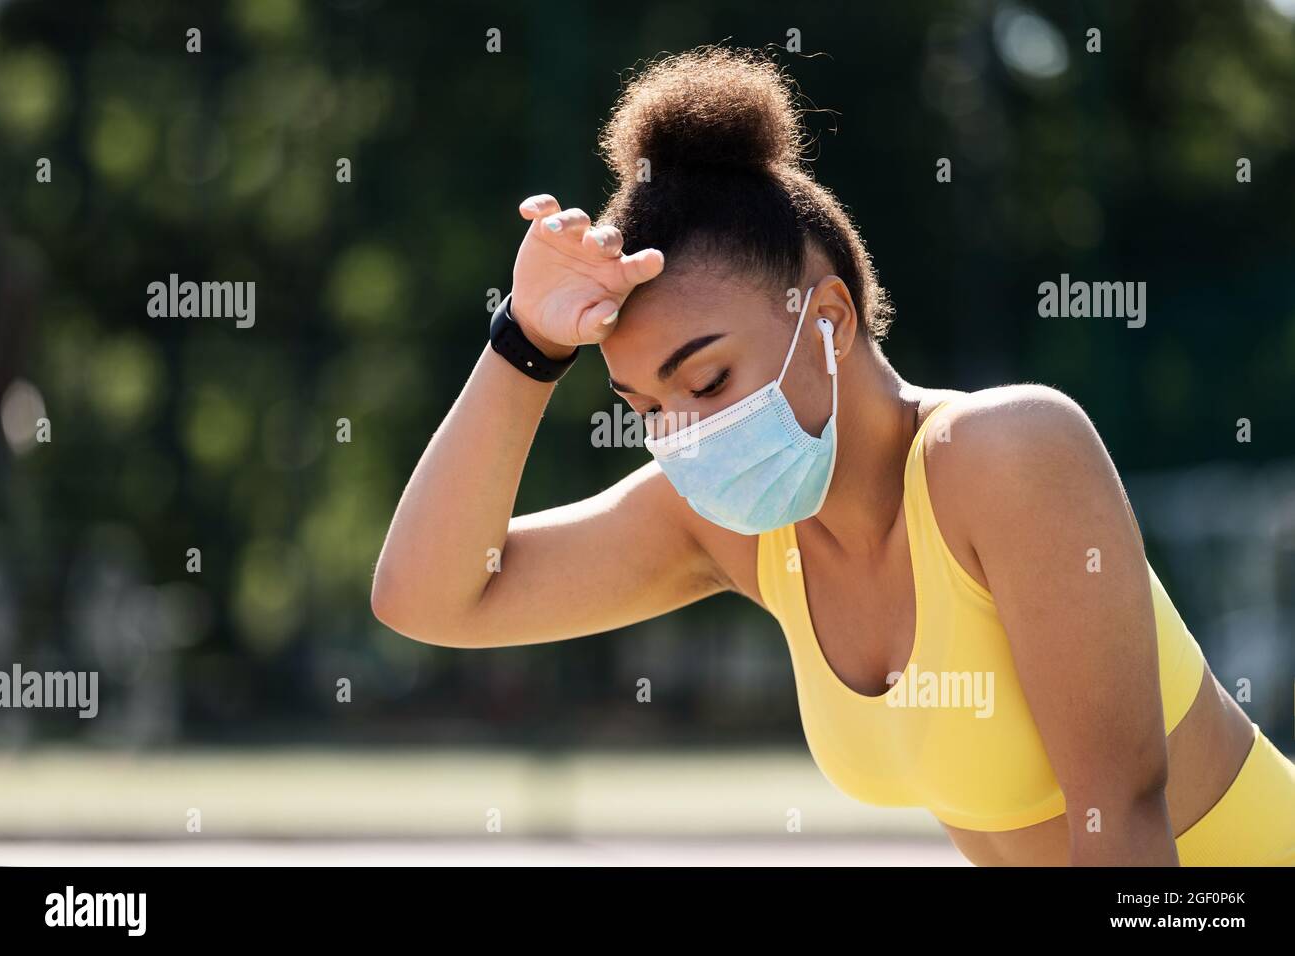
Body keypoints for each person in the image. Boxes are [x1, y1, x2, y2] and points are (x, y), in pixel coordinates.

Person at [372, 46, 1295, 866]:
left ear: (829, 319)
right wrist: (526, 345)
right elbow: (428, 598)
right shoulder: (731, 528)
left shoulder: (1007, 453)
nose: (679, 437)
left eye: (705, 382)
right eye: (644, 407)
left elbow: (1124, 825)